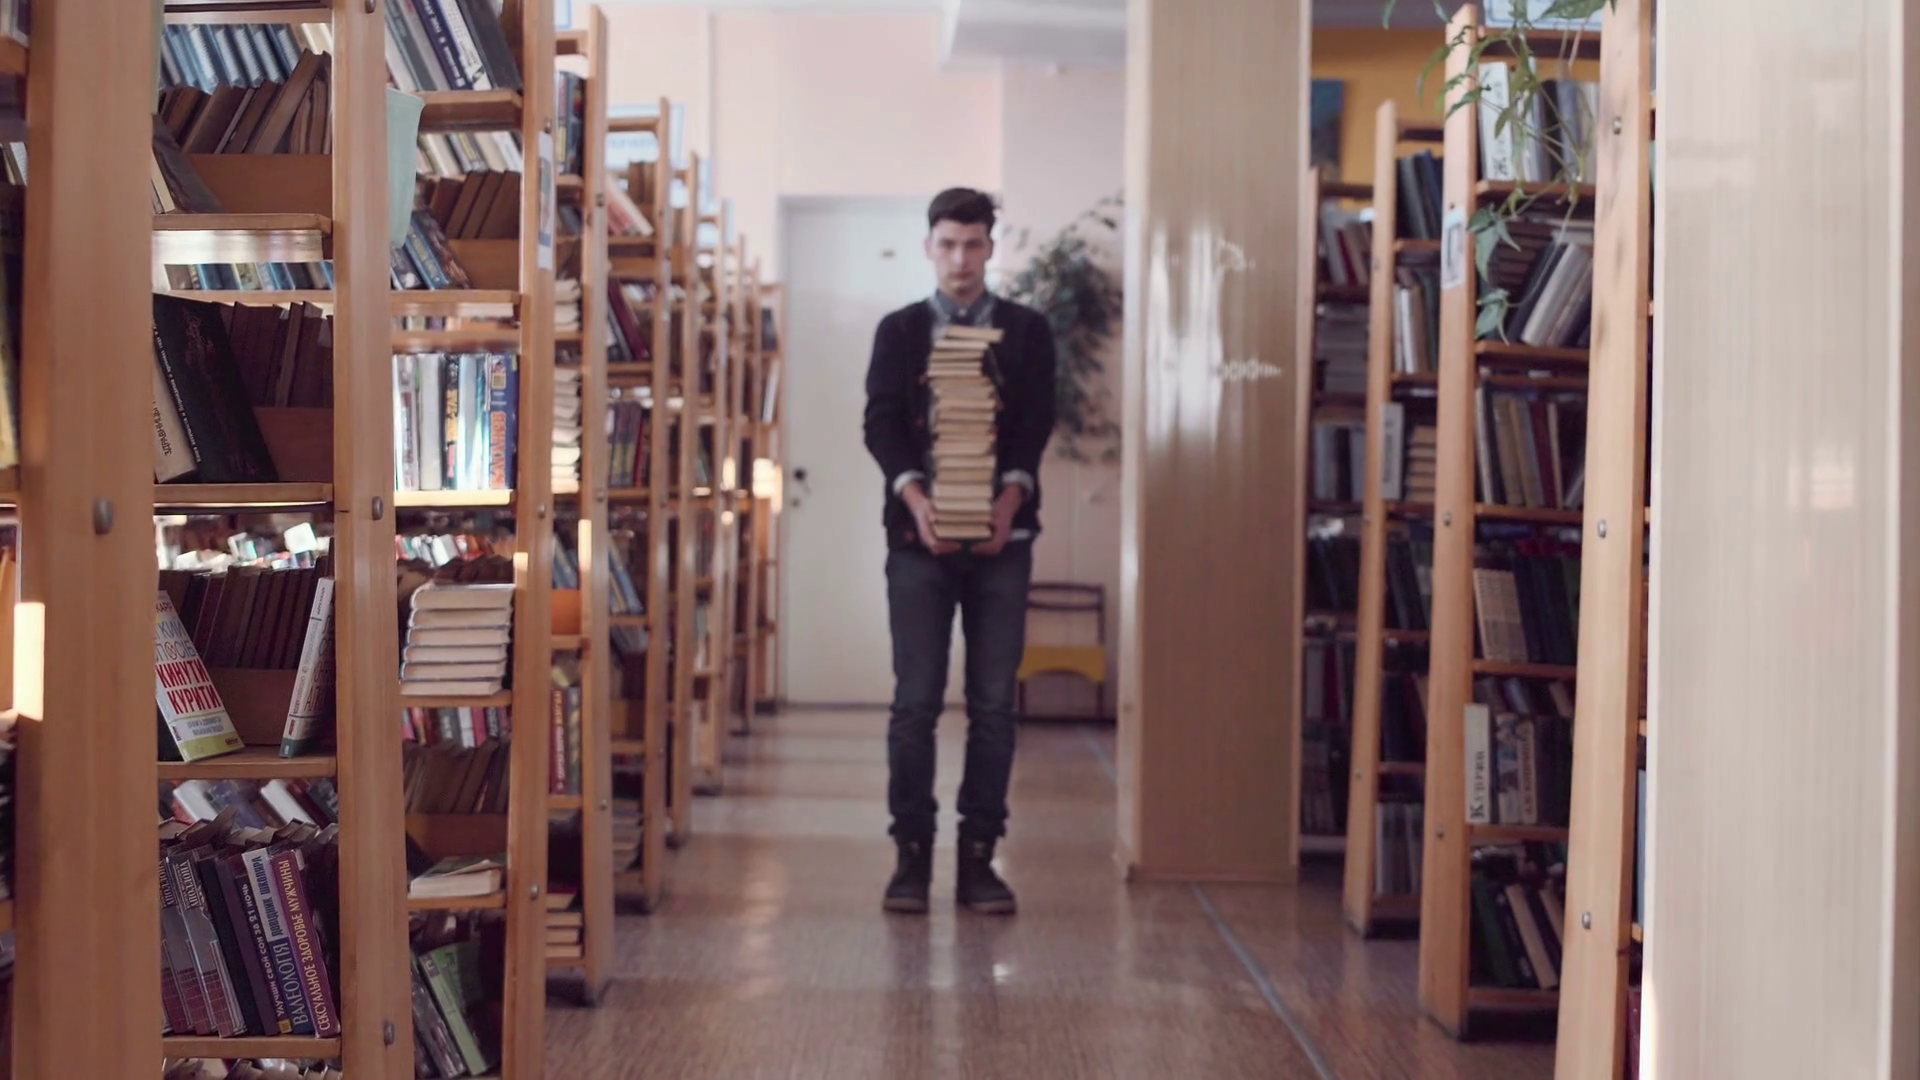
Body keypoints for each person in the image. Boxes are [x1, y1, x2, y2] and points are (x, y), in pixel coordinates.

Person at [862, 188, 1056, 916]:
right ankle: (911, 857)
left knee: (993, 707)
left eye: (974, 244)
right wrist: (918, 500)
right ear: (928, 247)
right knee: (915, 703)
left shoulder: (1028, 331)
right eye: (948, 244)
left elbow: (1036, 422)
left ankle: (980, 860)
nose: (961, 259)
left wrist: (1007, 502)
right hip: (917, 541)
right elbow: (880, 424)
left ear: (991, 247)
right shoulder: (901, 330)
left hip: (1005, 542)